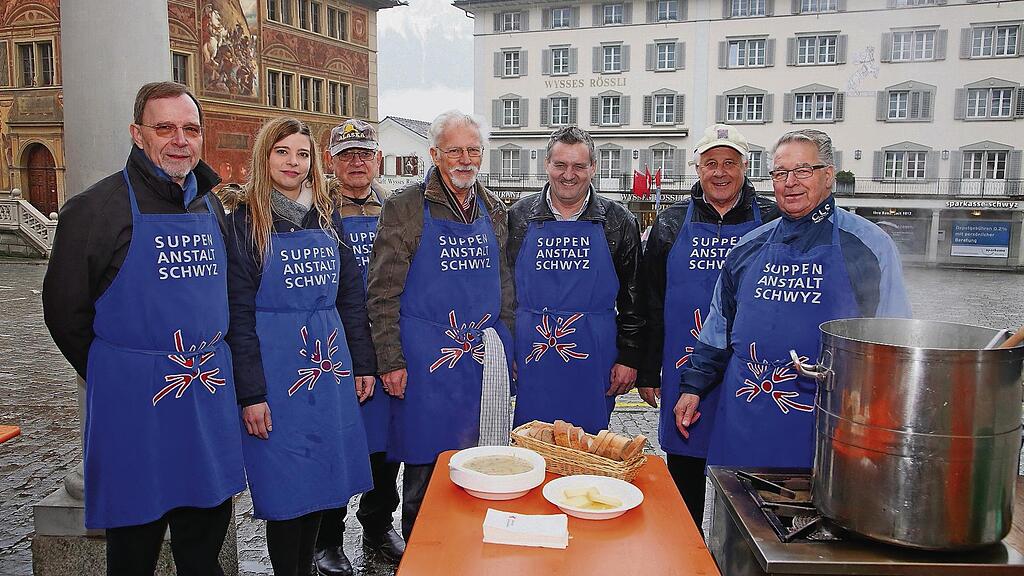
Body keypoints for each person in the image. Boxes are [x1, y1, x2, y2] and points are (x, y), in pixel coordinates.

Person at [42, 81, 245, 574]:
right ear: (138, 134)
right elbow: (65, 312)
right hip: (135, 406)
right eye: (165, 128)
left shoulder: (211, 204)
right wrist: (120, 368)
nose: (180, 139)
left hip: (204, 395)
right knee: (133, 551)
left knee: (204, 544)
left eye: (191, 129)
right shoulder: (95, 209)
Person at [675, 128, 911, 472]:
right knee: (740, 519)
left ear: (828, 176)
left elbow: (893, 339)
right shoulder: (747, 247)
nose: (790, 182)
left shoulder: (869, 245)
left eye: (803, 170)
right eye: (781, 173)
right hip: (747, 412)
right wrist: (693, 387)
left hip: (826, 418)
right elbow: (717, 329)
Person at [223, 117, 374, 576]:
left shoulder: (327, 216)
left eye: (303, 154)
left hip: (328, 370)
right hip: (276, 374)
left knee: (322, 482)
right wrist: (251, 393)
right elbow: (238, 315)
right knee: (286, 489)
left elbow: (350, 295)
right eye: (283, 152)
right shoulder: (245, 222)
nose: (294, 162)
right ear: (264, 157)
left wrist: (363, 363)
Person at [366, 110, 515, 542]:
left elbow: (504, 286)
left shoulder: (495, 209)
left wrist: (506, 347)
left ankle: (469, 549)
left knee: (480, 460)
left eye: (473, 150)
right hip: (424, 360)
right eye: (454, 151)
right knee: (425, 467)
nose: (465, 159)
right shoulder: (405, 207)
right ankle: (423, 550)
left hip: (482, 359)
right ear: (434, 154)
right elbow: (382, 293)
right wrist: (390, 360)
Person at [636, 124, 779, 527]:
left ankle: (745, 553)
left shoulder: (772, 219)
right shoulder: (669, 222)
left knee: (750, 475)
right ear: (697, 169)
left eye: (730, 163)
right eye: (711, 163)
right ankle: (688, 550)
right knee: (685, 475)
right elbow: (650, 300)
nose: (720, 172)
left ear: (745, 167)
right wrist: (648, 370)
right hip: (684, 368)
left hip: (752, 370)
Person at [506, 126, 643, 434]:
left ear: (592, 168)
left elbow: (634, 298)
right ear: (546, 165)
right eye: (560, 165)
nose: (569, 175)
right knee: (533, 441)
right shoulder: (518, 216)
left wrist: (630, 356)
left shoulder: (619, 221)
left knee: (589, 443)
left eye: (579, 166)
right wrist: (508, 348)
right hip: (532, 352)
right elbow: (504, 292)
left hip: (595, 354)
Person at [314, 120, 404, 576]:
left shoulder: (396, 208)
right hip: (335, 342)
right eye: (347, 154)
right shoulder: (314, 210)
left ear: (378, 160)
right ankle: (326, 537)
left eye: (365, 154)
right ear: (330, 161)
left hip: (386, 339)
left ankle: (377, 521)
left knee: (386, 446)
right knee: (338, 445)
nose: (356, 163)